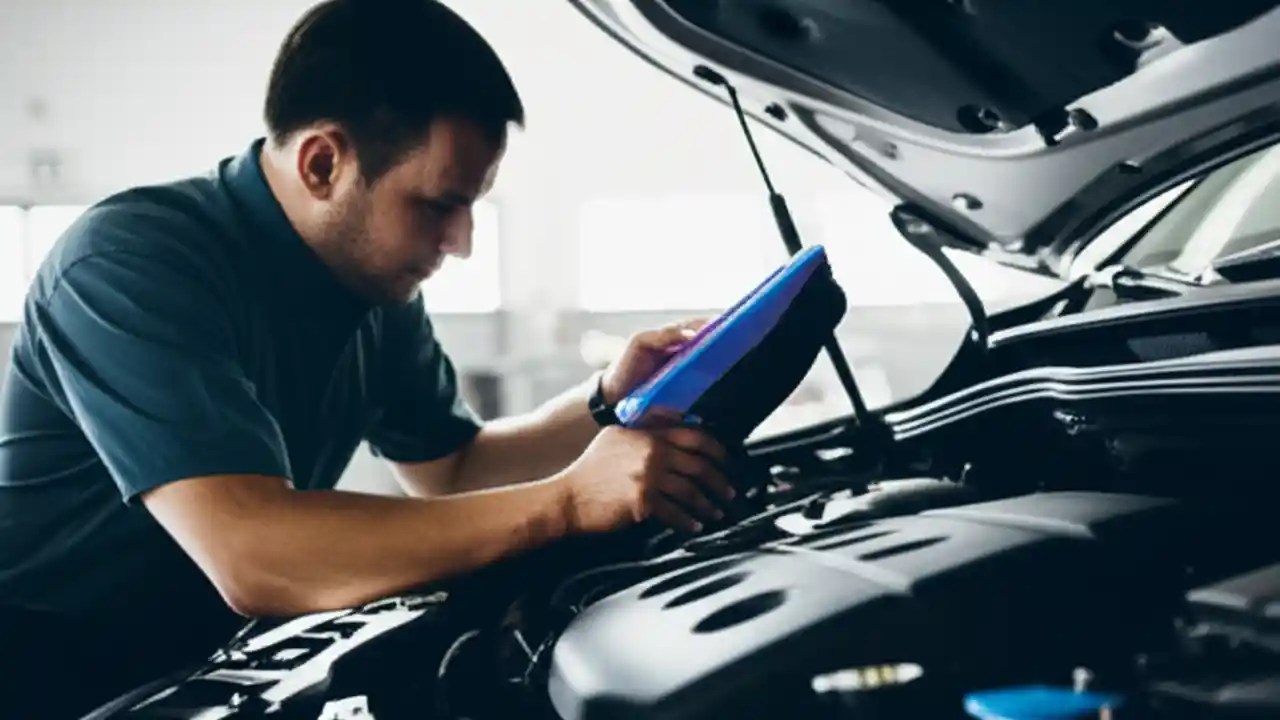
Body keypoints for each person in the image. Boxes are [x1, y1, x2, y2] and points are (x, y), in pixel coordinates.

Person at [0, 1, 733, 715]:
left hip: (211, 670)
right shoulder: (129, 265)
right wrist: (568, 501)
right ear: (323, 163)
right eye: (439, 205)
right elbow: (255, 551)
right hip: (48, 676)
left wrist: (607, 399)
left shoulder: (372, 289)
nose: (462, 242)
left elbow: (453, 468)